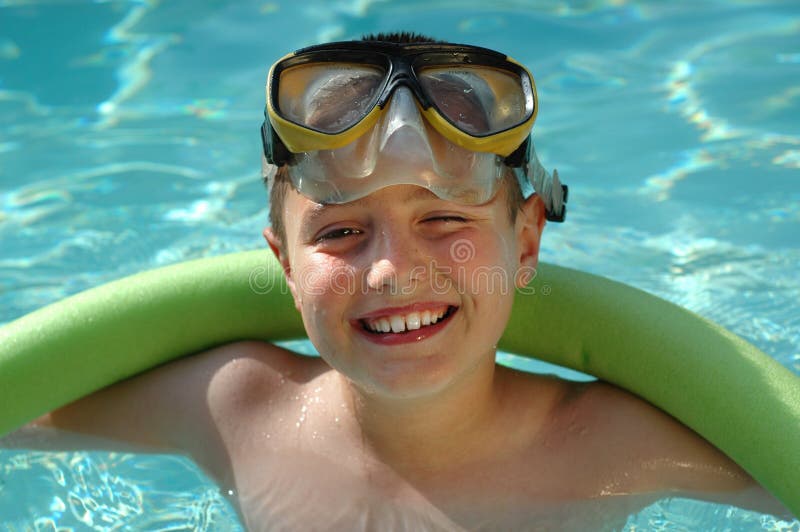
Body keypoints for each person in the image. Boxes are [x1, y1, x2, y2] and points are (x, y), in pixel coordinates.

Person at [30, 32, 786, 530]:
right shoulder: (236, 409)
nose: (393, 269)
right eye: (340, 232)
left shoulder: (614, 446)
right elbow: (21, 403)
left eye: (444, 219)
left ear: (525, 241)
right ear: (284, 264)